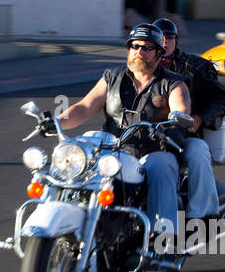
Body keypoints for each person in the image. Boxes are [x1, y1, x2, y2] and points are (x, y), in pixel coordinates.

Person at [55, 23, 191, 255]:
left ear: (159, 52)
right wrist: (58, 121)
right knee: (79, 155)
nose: (139, 51)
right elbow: (86, 106)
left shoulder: (173, 82)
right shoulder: (113, 77)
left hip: (154, 149)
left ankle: (163, 239)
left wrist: (178, 117)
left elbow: (180, 107)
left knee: (160, 166)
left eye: (147, 47)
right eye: (134, 46)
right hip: (113, 148)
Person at [153, 18, 224, 221]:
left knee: (198, 153)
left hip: (184, 134)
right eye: (161, 37)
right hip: (147, 132)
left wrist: (199, 119)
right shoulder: (143, 66)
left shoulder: (195, 66)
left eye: (170, 37)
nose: (165, 41)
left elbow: (220, 97)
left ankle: (203, 214)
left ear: (176, 41)